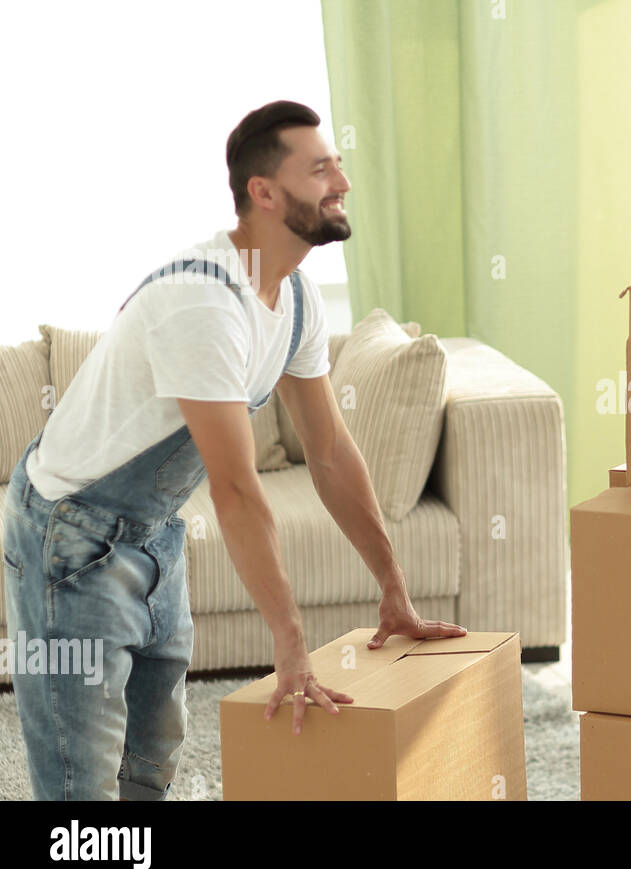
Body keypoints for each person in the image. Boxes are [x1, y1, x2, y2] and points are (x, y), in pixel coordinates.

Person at [2, 100, 465, 801]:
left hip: (152, 533)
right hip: (69, 539)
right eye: (320, 169)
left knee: (151, 759)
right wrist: (290, 644)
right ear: (265, 192)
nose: (341, 181)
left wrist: (393, 592)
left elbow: (330, 451)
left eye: (338, 163)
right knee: (79, 785)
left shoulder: (297, 299)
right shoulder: (203, 301)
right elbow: (236, 488)